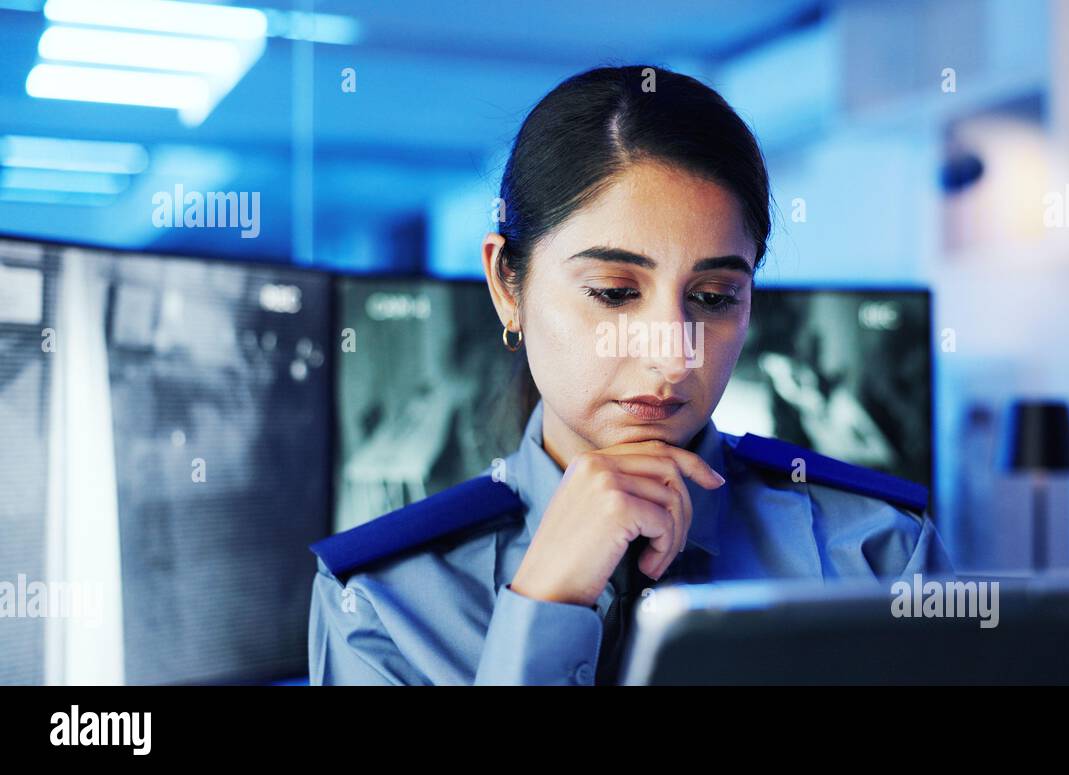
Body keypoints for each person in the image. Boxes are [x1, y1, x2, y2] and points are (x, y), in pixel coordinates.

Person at [307, 64, 955, 686]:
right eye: (615, 291)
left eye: (712, 297)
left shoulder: (877, 554)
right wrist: (545, 604)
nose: (673, 355)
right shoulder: (381, 603)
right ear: (508, 284)